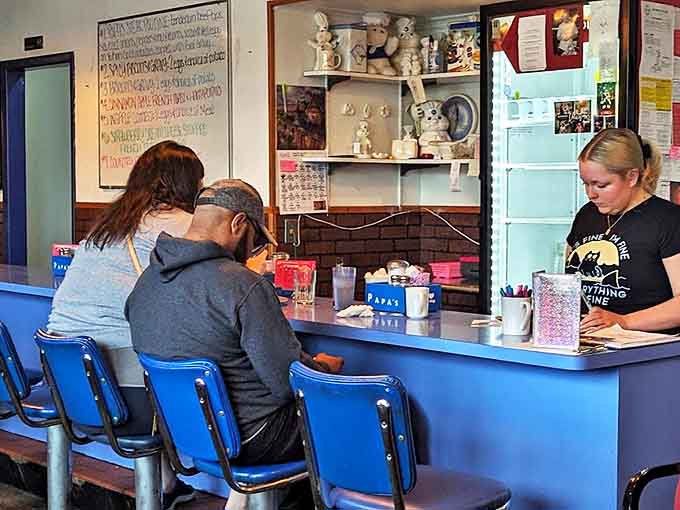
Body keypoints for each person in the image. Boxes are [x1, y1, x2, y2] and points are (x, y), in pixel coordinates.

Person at [125, 179, 342, 509]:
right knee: (361, 421)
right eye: (254, 238)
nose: (252, 250)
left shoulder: (146, 282)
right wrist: (324, 367)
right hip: (250, 437)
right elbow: (288, 382)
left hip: (183, 433)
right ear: (239, 223)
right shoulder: (242, 285)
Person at [47, 140, 204, 509]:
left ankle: (166, 485)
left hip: (67, 388)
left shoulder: (107, 226)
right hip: (126, 400)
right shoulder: (187, 227)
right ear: (187, 185)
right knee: (188, 373)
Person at [565, 128, 680, 333]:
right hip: (588, 344)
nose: (591, 194)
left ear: (631, 177)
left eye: (601, 185)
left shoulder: (669, 220)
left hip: (644, 352)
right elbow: (567, 281)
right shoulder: (587, 215)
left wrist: (623, 321)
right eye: (586, 184)